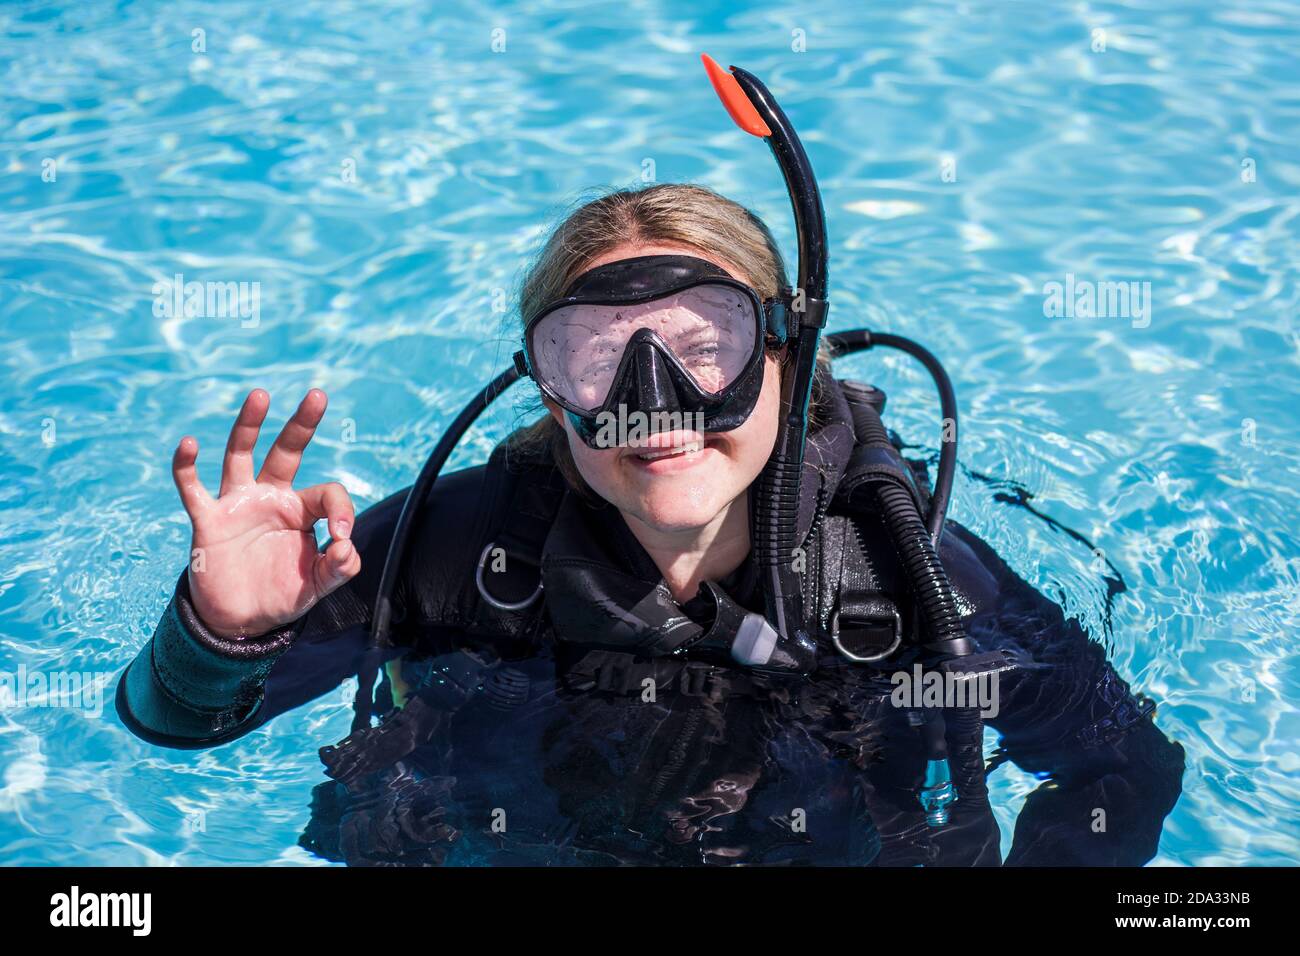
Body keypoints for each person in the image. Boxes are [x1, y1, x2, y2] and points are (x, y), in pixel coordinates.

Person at [116, 59, 1184, 867]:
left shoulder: (905, 575)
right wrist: (223, 631)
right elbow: (174, 727)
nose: (651, 410)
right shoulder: (449, 550)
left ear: (786, 351)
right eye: (596, 357)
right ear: (545, 381)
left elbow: (1124, 764)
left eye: (702, 347)